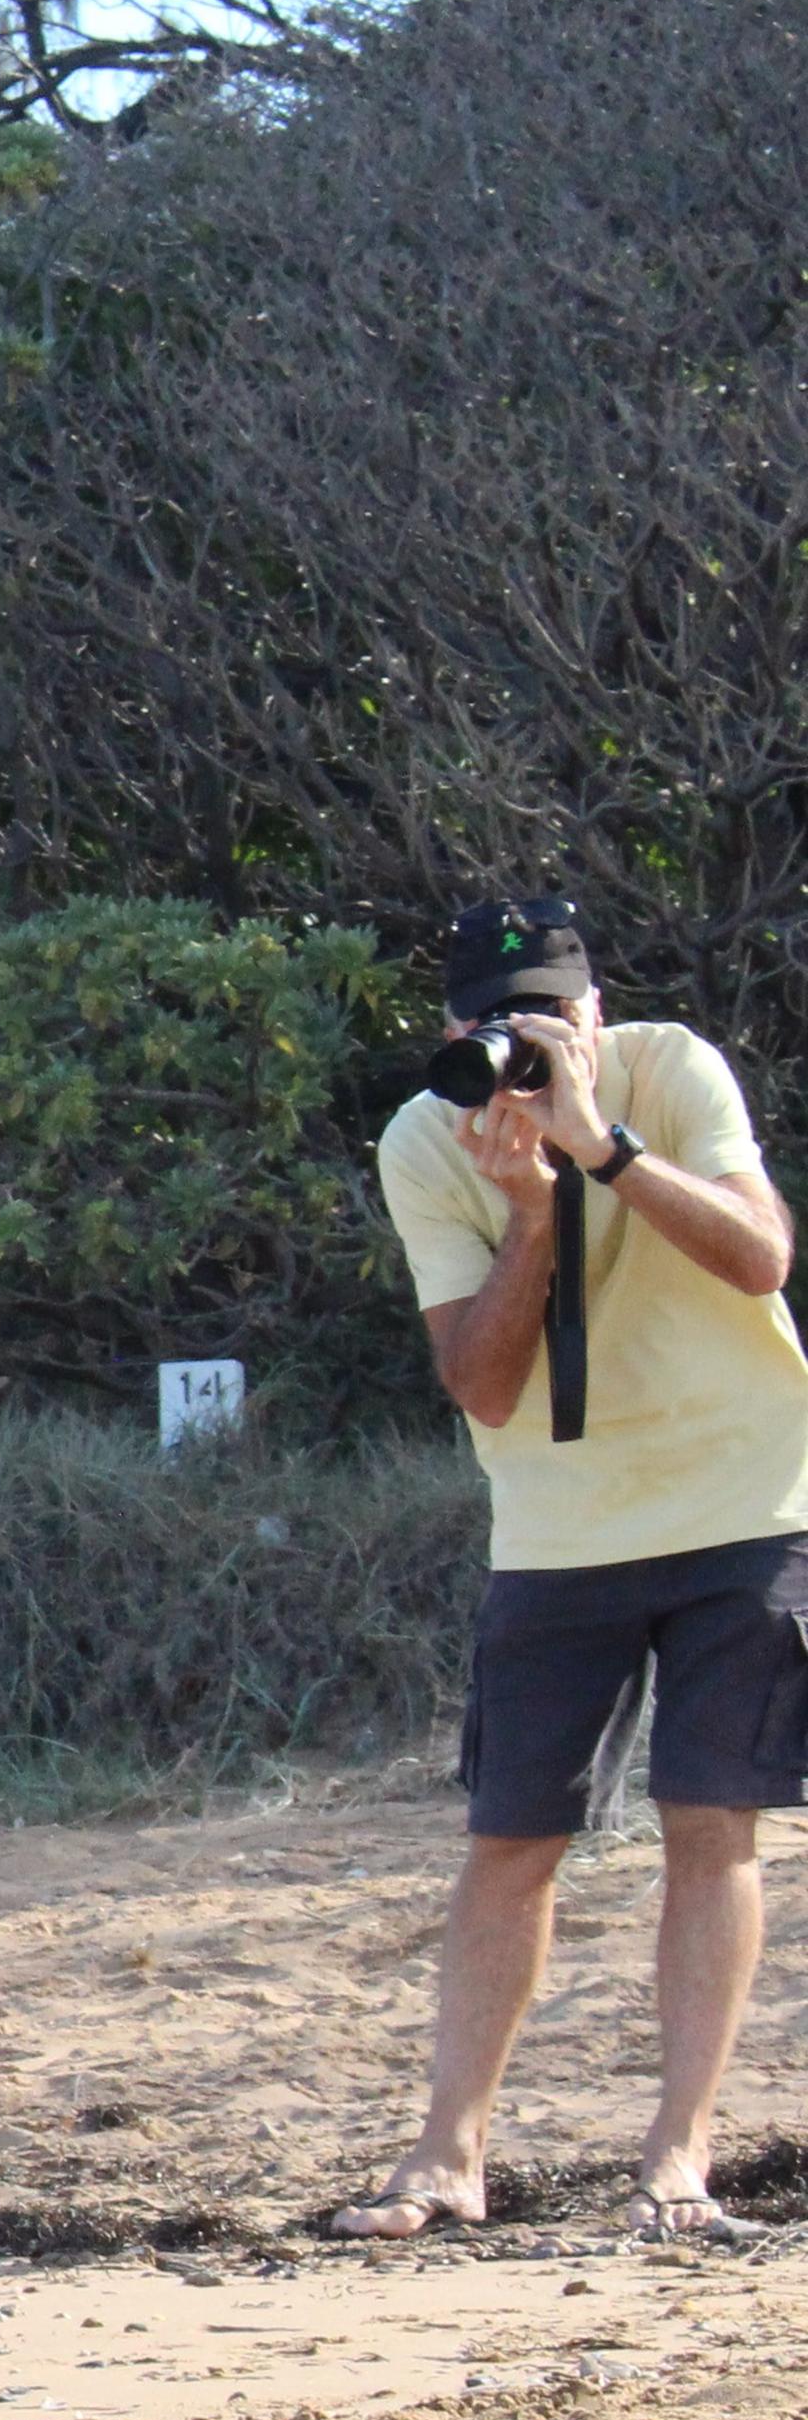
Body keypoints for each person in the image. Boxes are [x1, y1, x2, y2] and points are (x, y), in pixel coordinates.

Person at [336, 898, 804, 2243]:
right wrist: (532, 1214)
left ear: (595, 1013)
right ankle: (447, 2153)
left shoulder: (672, 1068)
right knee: (514, 1837)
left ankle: (680, 2154)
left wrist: (606, 1147)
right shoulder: (431, 1136)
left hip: (747, 1497)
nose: (522, 1050)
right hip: (560, 1525)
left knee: (714, 1824)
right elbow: (481, 1386)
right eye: (493, 1027)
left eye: (546, 1020)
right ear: (451, 1032)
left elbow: (762, 1254)